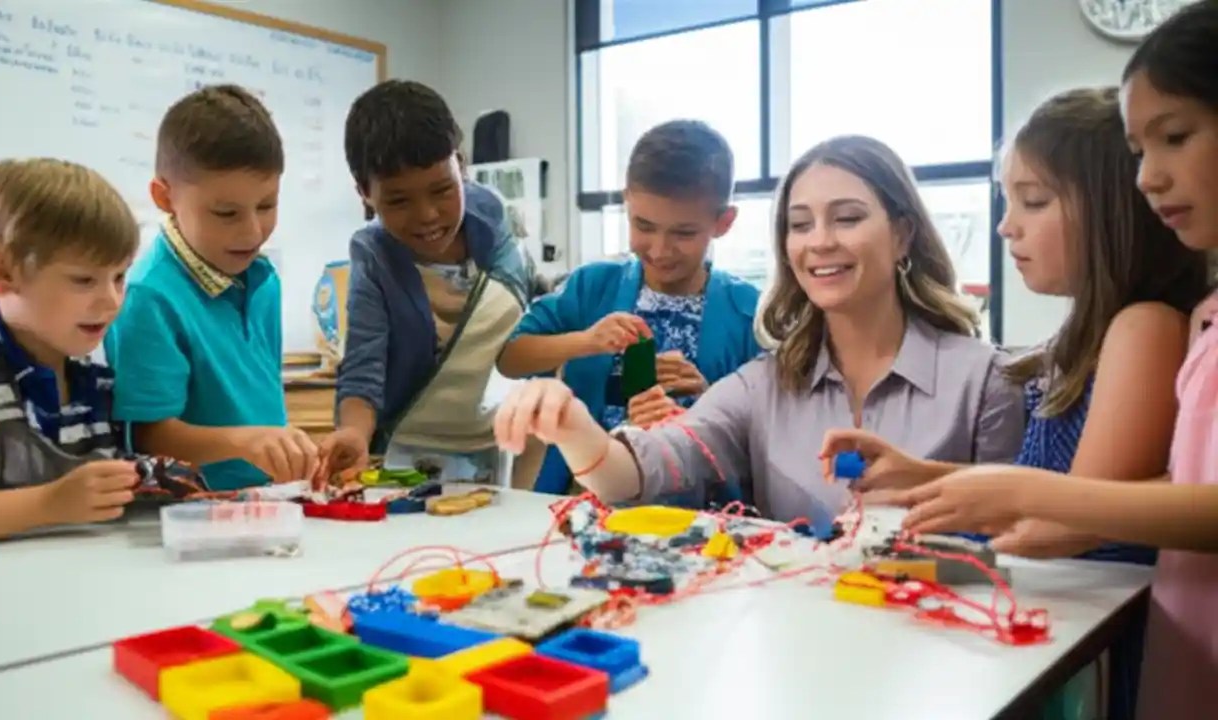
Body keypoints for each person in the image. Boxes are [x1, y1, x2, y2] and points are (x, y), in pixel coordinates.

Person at [821, 87, 1209, 720]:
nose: (1007, 225)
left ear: (1114, 210)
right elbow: (1049, 495)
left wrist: (922, 552)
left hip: (1091, 639)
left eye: (1034, 201)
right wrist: (921, 477)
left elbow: (1072, 526)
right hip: (1062, 608)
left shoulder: (1143, 327)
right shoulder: (1089, 330)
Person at [494, 135, 1025, 521]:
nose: (819, 241)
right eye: (799, 224)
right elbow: (638, 471)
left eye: (846, 218)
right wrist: (571, 424)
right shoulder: (762, 385)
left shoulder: (986, 382)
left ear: (903, 233)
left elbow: (1023, 540)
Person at [106, 84, 363, 491]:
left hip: (270, 499)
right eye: (226, 212)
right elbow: (147, 435)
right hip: (194, 510)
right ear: (164, 197)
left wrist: (289, 447)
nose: (252, 230)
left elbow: (258, 412)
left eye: (267, 205)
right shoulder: (148, 297)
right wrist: (245, 442)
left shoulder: (263, 280)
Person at [498, 120, 762, 497]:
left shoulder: (748, 314)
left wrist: (710, 401)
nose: (659, 249)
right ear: (627, 203)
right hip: (585, 501)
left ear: (723, 222)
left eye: (684, 233)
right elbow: (510, 358)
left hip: (703, 517)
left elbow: (769, 435)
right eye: (644, 225)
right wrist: (586, 341)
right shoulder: (593, 286)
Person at [334, 80, 532, 482]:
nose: (427, 215)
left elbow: (529, 325)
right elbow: (363, 364)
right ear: (364, 192)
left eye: (442, 189)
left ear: (460, 164)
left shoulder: (493, 218)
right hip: (408, 450)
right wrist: (353, 433)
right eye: (398, 200)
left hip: (498, 441)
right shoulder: (374, 257)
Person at [0, 159, 140, 547]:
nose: (111, 300)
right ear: (1, 271)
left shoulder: (95, 378)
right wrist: (48, 504)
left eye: (119, 276)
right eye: (83, 280)